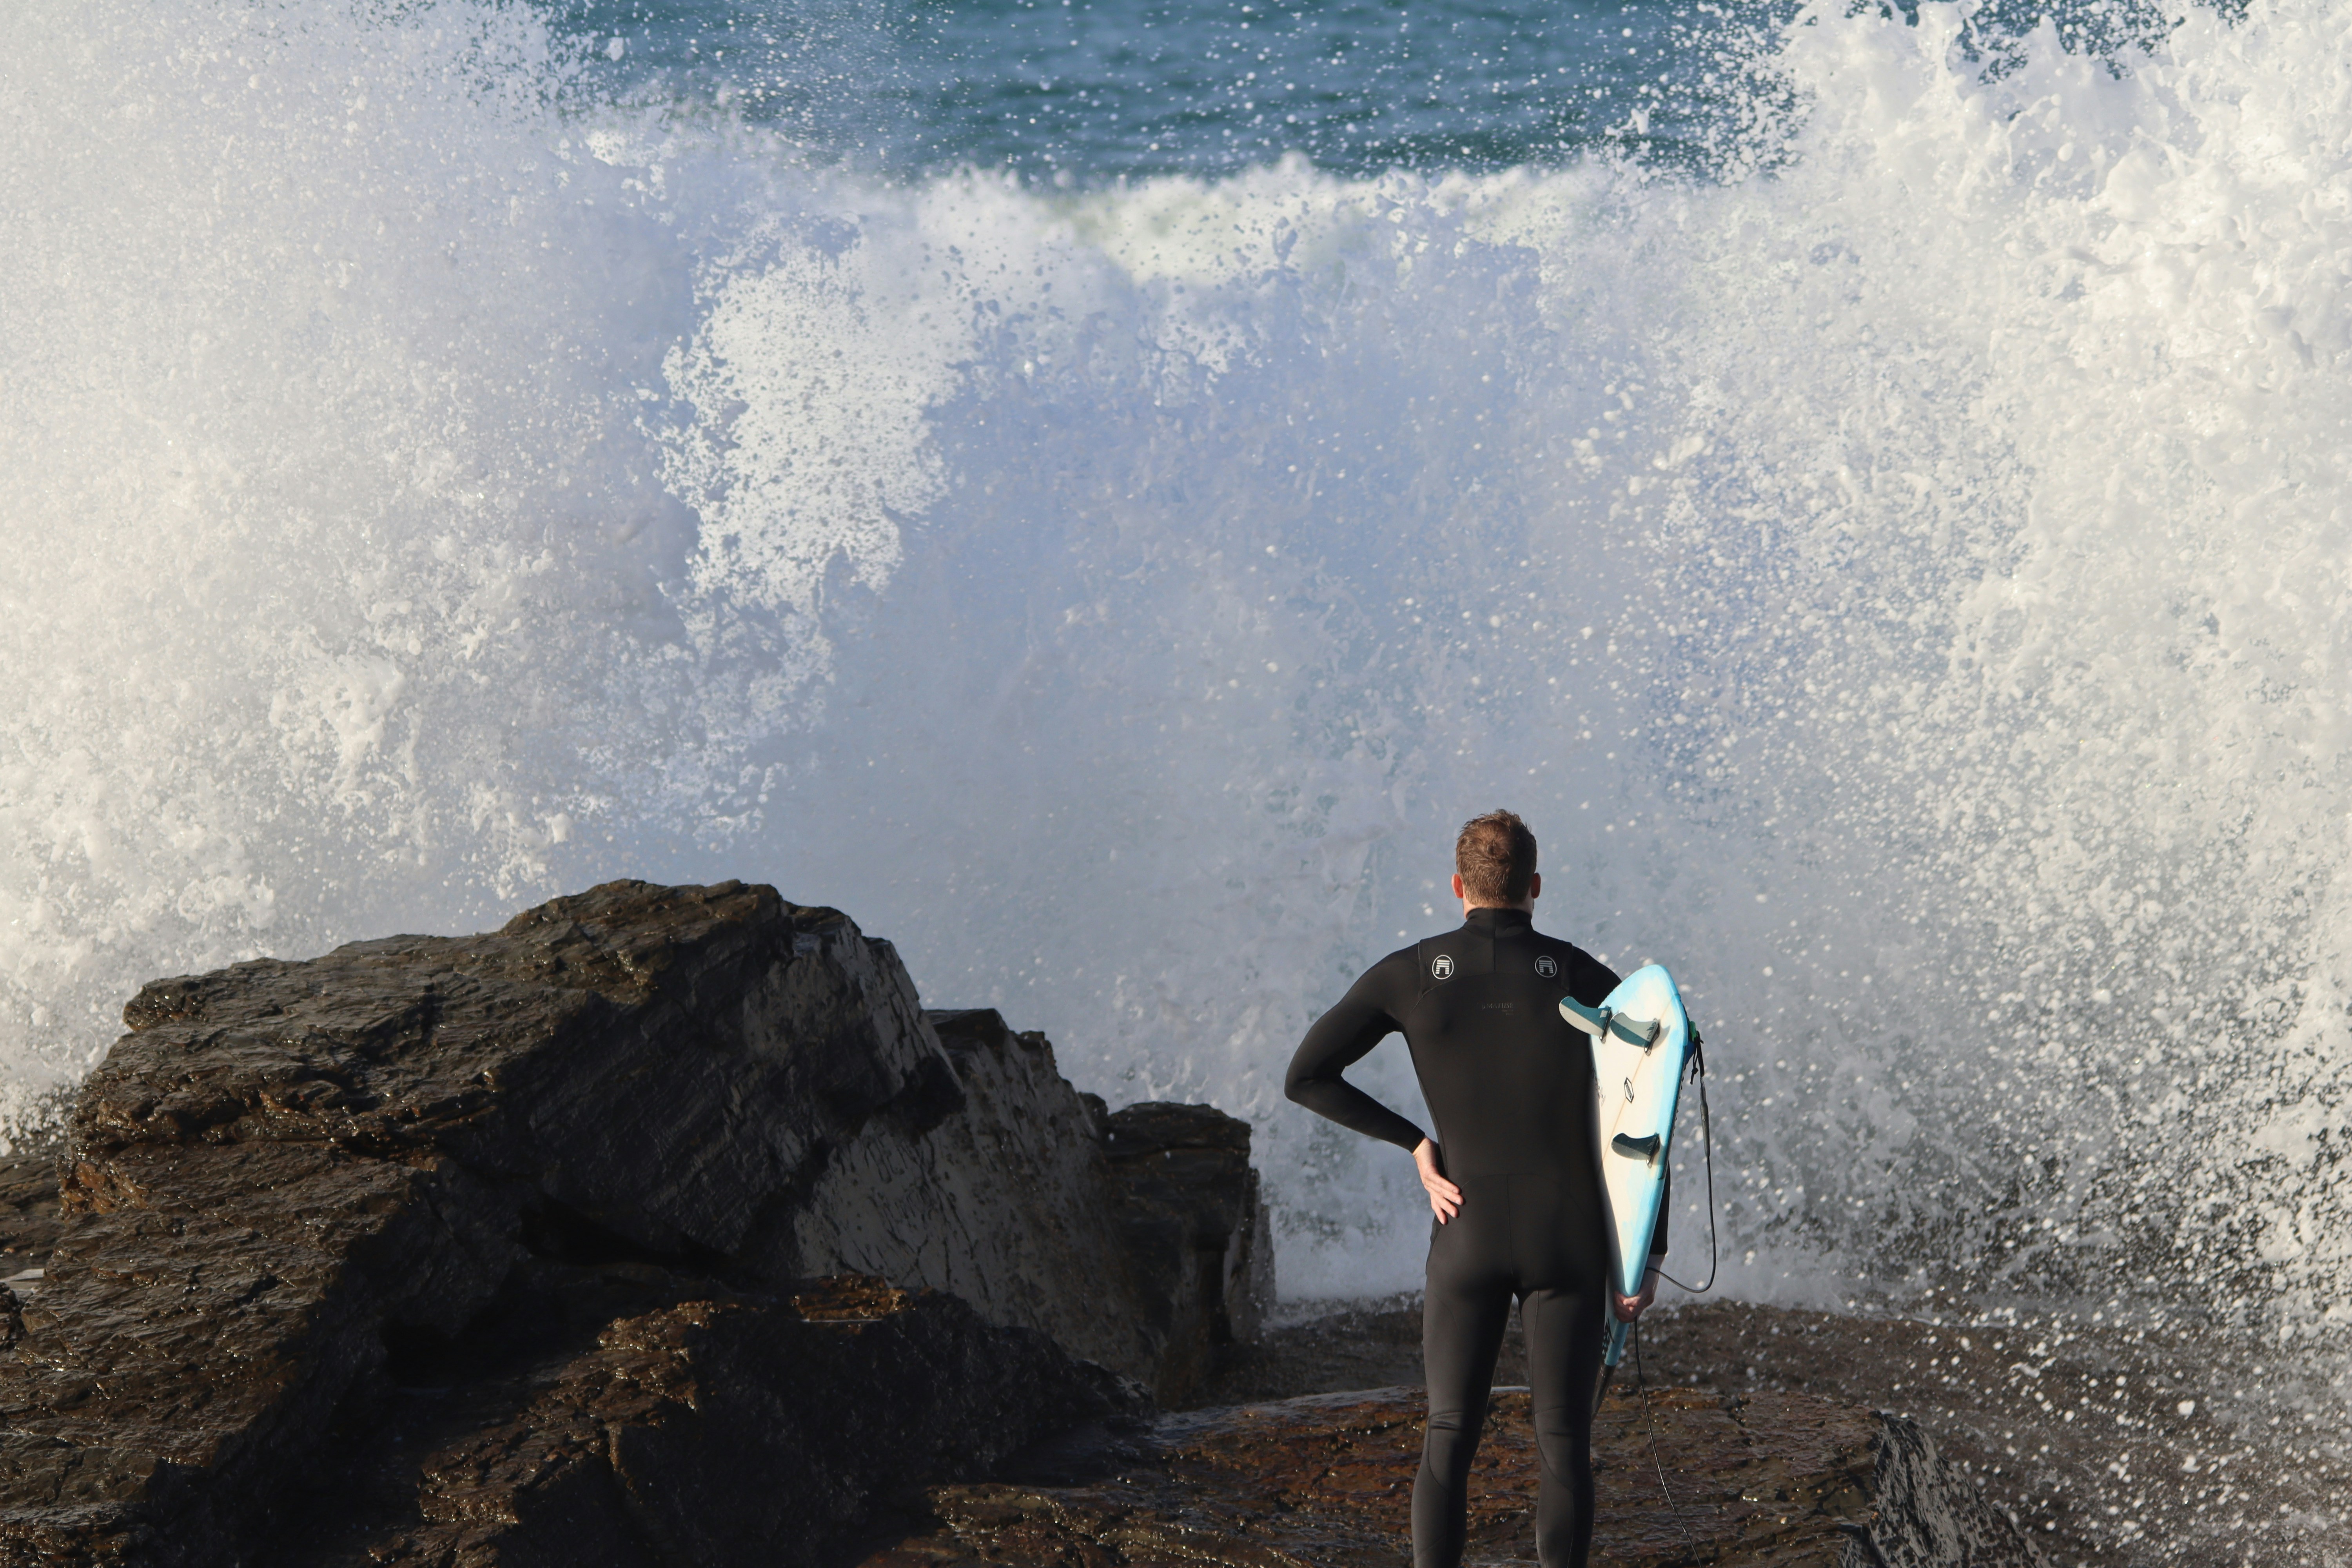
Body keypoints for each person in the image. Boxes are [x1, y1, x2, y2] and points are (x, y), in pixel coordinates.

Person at [1283, 809, 1666, 1568]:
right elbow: (1650, 1104)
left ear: (1458, 886)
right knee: (1564, 1437)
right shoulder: (1585, 977)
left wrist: (1417, 1144)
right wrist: (1647, 1253)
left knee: (1451, 1432)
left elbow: (1306, 1077)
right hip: (1570, 1236)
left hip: (1466, 1228)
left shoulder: (1410, 974)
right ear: (1535, 885)